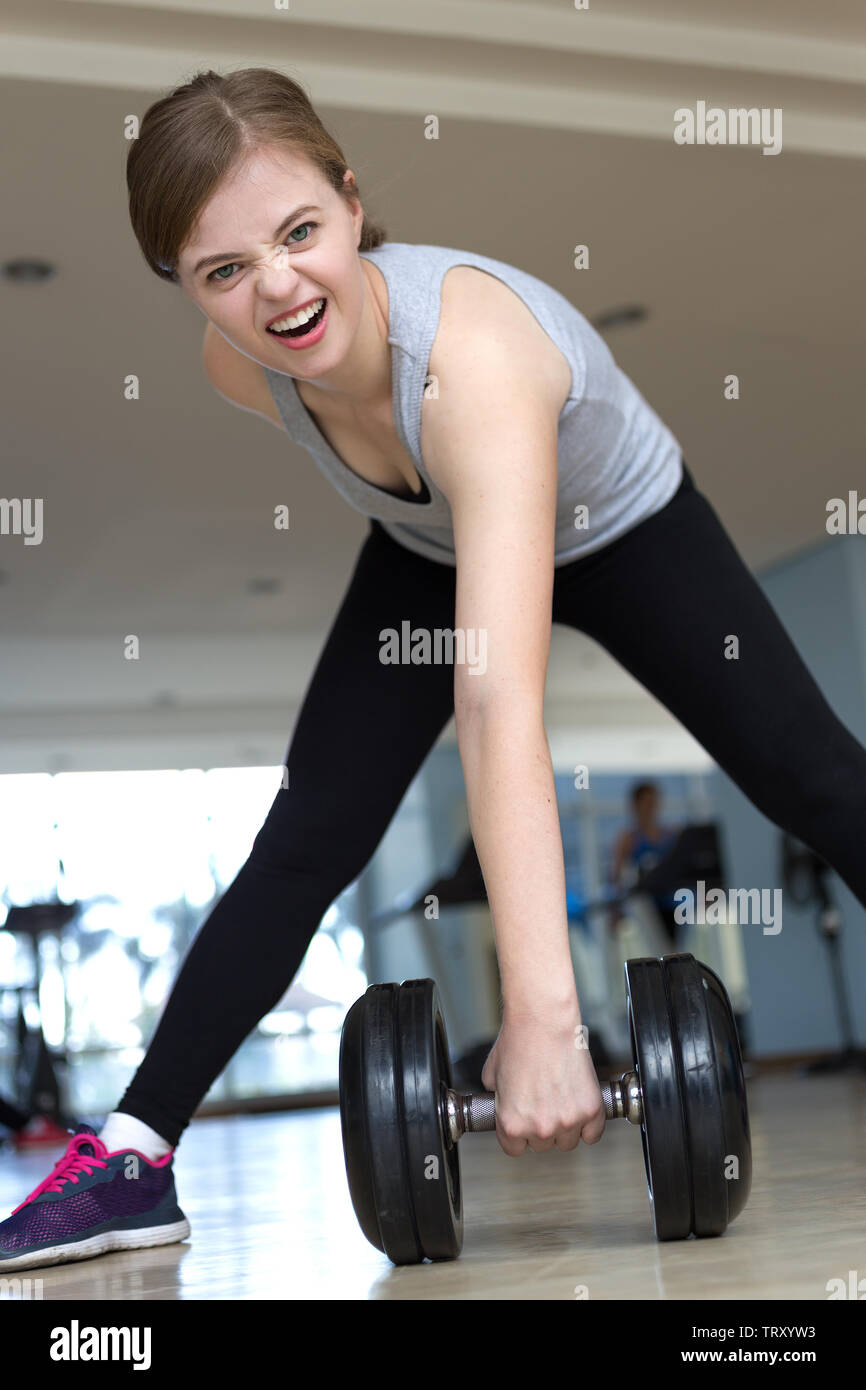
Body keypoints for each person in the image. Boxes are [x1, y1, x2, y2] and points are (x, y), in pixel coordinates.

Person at [3, 66, 866, 1272]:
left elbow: (495, 698)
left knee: (812, 779)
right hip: (428, 539)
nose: (278, 287)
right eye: (224, 272)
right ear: (190, 292)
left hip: (620, 528)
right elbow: (454, 591)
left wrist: (544, 1020)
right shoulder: (233, 364)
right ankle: (134, 1156)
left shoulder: (472, 361)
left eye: (299, 232)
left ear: (352, 203)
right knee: (305, 836)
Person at [609, 781, 680, 947]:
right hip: (646, 906)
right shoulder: (629, 838)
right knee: (658, 949)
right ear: (635, 805)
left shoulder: (671, 834)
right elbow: (616, 877)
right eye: (646, 803)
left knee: (676, 950)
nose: (651, 807)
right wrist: (615, 910)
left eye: (654, 802)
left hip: (672, 903)